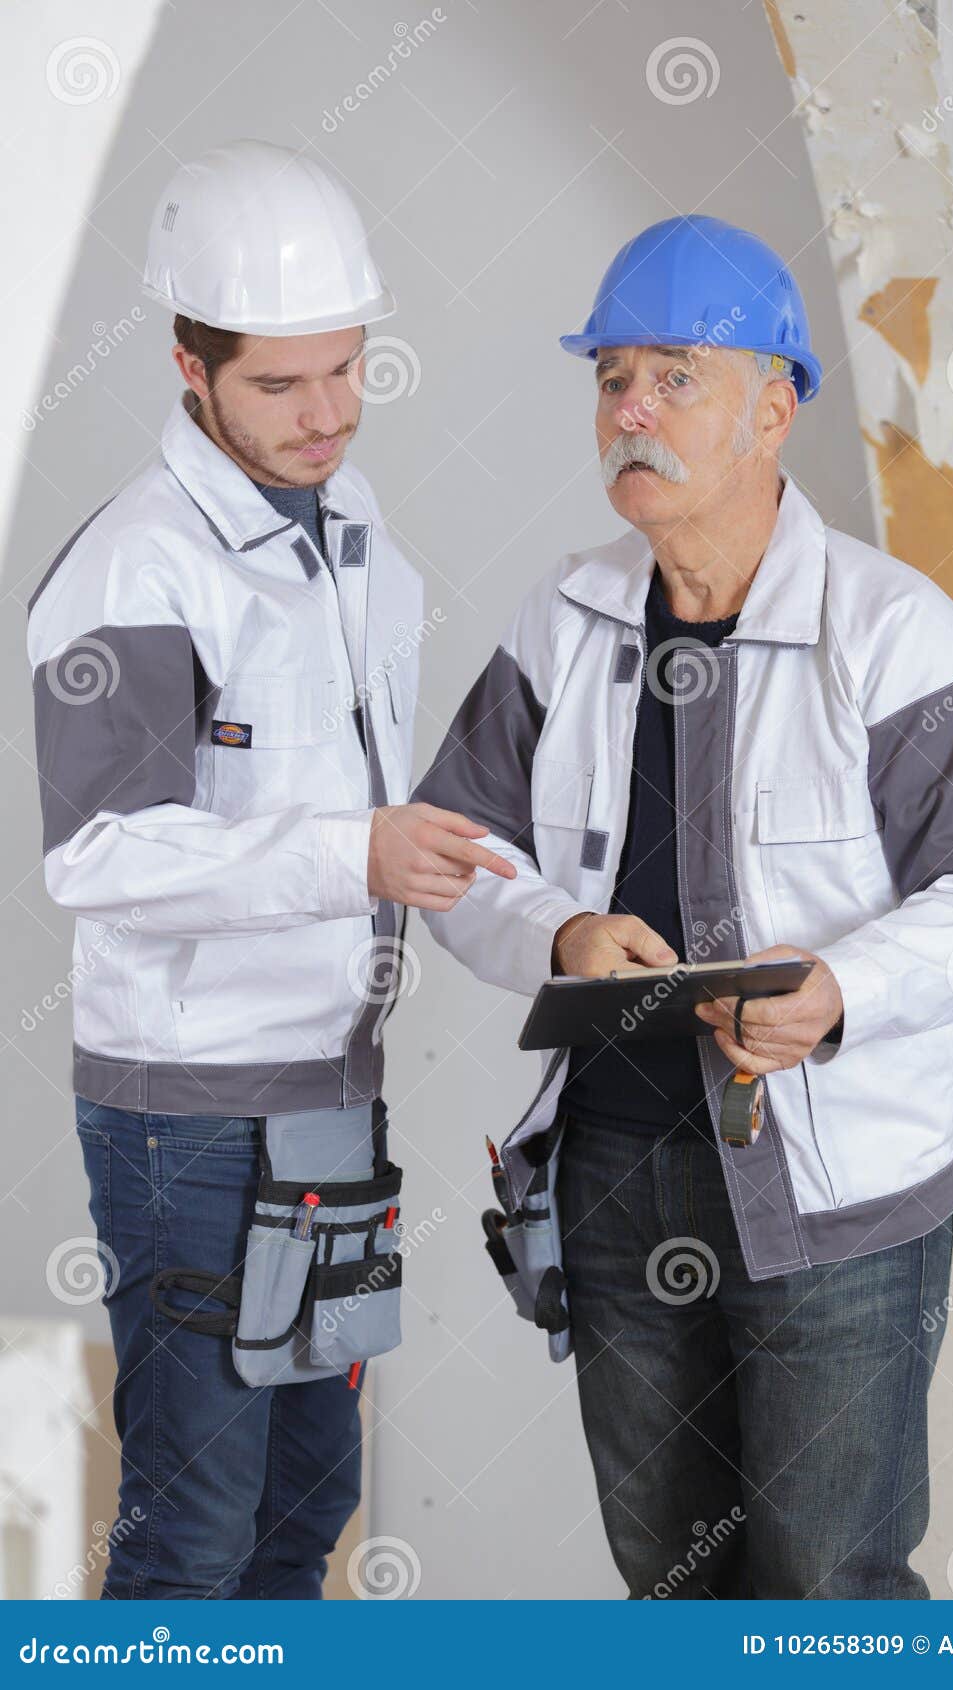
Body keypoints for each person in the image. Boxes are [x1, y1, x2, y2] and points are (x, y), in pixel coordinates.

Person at [412, 215, 953, 1598]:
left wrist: (843, 994)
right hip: (616, 1177)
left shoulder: (895, 637)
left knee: (829, 1585)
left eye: (674, 378)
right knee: (669, 1583)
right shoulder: (562, 619)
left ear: (775, 410)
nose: (630, 412)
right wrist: (559, 933)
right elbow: (453, 851)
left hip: (835, 1199)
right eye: (612, 380)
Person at [27, 138, 512, 1599]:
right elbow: (98, 851)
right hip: (191, 1123)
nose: (328, 414)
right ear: (191, 368)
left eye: (347, 369)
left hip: (330, 1102)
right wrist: (352, 854)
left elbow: (370, 800)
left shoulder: (355, 536)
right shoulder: (137, 565)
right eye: (282, 385)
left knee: (303, 1513)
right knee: (192, 1536)